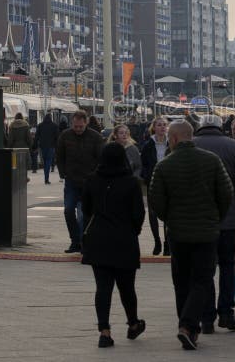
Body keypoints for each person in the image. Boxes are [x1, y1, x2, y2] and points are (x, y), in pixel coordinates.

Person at [149, 121, 234, 351]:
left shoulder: (164, 165)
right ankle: (188, 328)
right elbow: (226, 193)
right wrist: (215, 216)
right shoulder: (212, 160)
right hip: (207, 232)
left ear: (174, 139)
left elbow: (155, 201)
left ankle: (187, 327)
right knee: (202, 280)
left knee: (181, 281)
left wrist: (171, 218)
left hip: (178, 233)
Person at [193, 115, 235, 333]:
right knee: (228, 266)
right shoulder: (233, 146)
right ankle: (227, 314)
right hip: (227, 219)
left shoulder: (189, 145)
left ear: (200, 127)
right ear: (222, 127)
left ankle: (206, 318)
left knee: (204, 270)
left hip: (199, 221)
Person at [81, 143, 146, 348]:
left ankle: (105, 331)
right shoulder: (131, 182)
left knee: (103, 288)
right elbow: (138, 214)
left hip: (98, 239)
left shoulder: (92, 180)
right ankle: (133, 323)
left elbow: (86, 209)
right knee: (127, 288)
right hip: (124, 239)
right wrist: (132, 231)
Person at [56, 110, 104, 253]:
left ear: (86, 123)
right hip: (71, 181)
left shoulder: (95, 137)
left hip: (88, 182)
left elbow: (101, 158)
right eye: (75, 126)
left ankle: (84, 242)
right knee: (68, 211)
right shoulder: (65, 136)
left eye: (80, 127)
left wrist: (96, 177)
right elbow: (59, 155)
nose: (77, 129)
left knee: (83, 214)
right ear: (72, 123)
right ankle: (75, 241)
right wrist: (63, 173)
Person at [141, 117, 170, 256]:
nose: (162, 127)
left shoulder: (171, 144)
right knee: (152, 213)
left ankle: (167, 242)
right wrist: (147, 177)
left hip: (169, 183)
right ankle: (157, 240)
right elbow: (144, 164)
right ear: (154, 127)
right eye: (159, 125)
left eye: (164, 125)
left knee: (168, 214)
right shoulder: (148, 145)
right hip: (153, 182)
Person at [35, 114, 59, 185]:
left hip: (43, 146)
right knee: (48, 161)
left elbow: (37, 136)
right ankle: (46, 178)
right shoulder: (54, 126)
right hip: (51, 146)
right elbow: (57, 137)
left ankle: (46, 177)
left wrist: (34, 146)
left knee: (45, 161)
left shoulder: (40, 125)